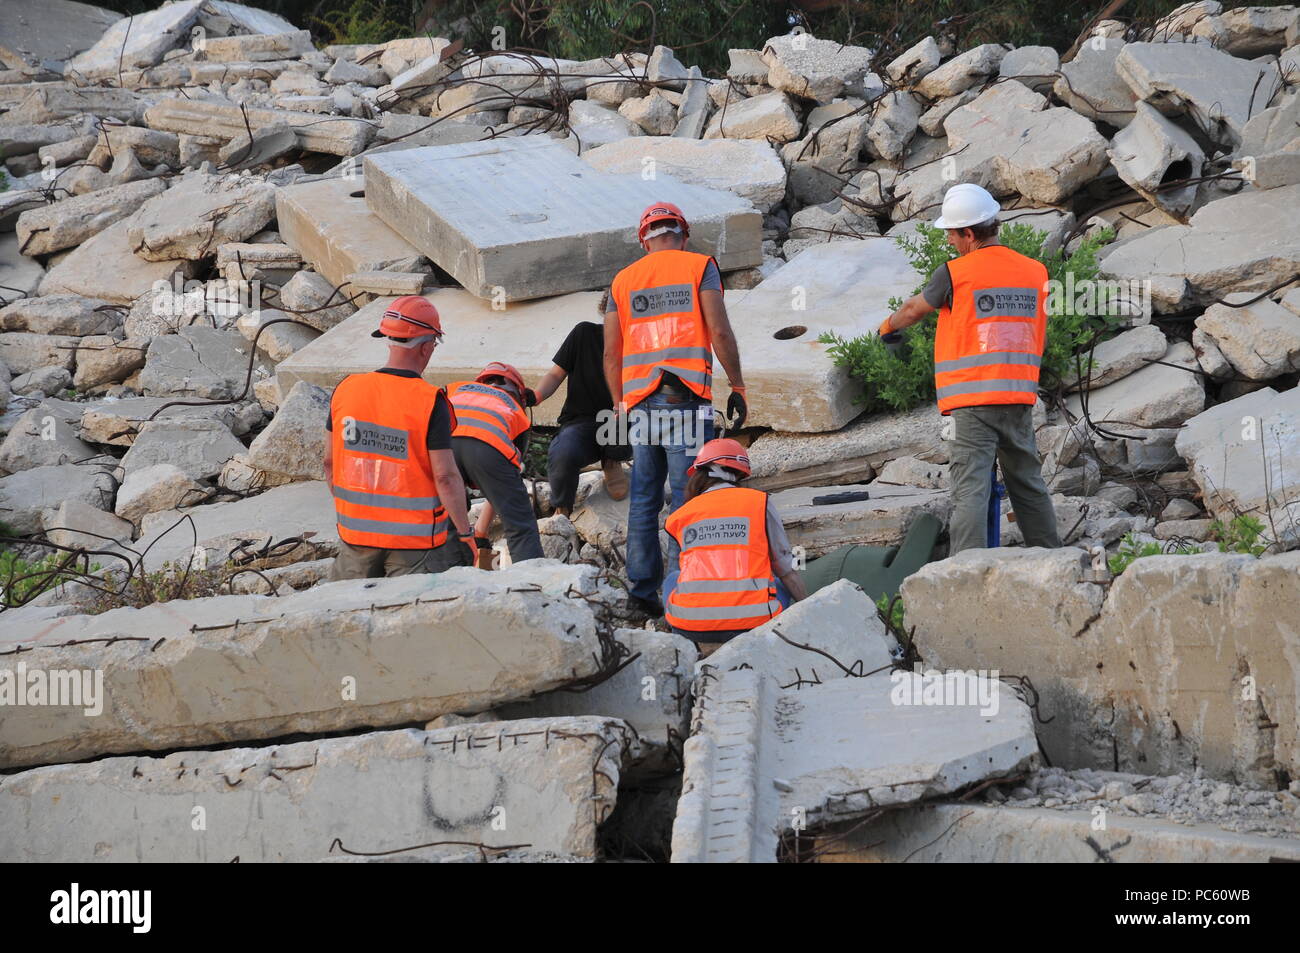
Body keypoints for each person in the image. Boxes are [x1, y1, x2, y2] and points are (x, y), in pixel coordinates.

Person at [881, 183, 1061, 554]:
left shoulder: (955, 272)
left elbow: (916, 309)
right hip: (1017, 395)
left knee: (970, 491)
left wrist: (888, 327)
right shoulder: (1035, 271)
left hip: (972, 400)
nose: (949, 241)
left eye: (952, 234)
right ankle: (1053, 557)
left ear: (968, 233)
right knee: (1027, 483)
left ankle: (966, 573)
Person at [604, 201, 748, 616]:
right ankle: (679, 592)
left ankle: (641, 593)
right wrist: (736, 384)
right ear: (682, 235)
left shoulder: (623, 280)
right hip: (685, 398)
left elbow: (612, 353)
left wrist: (619, 403)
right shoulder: (699, 265)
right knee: (686, 495)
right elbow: (718, 329)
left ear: (644, 241)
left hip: (639, 403)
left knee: (644, 497)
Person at [325, 296, 477, 579]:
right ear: (427, 346)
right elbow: (445, 477)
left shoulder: (346, 389)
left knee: (346, 612)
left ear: (387, 339)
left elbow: (329, 463)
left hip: (356, 535)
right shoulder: (431, 401)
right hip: (414, 543)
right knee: (407, 615)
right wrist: (466, 532)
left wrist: (360, 514)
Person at [663, 439, 806, 653]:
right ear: (737, 474)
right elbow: (786, 568)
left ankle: (684, 648)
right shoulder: (758, 502)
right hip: (753, 622)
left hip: (691, 625)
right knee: (777, 581)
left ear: (699, 475)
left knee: (673, 578)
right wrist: (810, 608)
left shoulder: (681, 515)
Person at [529, 294, 632, 517]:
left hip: (620, 419)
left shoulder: (638, 344)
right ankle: (562, 508)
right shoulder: (584, 333)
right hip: (581, 420)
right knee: (564, 452)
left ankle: (611, 461)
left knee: (620, 430)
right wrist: (536, 396)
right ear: (605, 312)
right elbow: (556, 374)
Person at [448, 361, 545, 566]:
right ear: (520, 394)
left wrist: (480, 534)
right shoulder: (515, 410)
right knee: (520, 525)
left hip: (443, 445)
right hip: (488, 448)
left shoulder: (456, 389)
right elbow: (502, 482)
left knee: (442, 520)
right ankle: (533, 586)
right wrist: (481, 533)